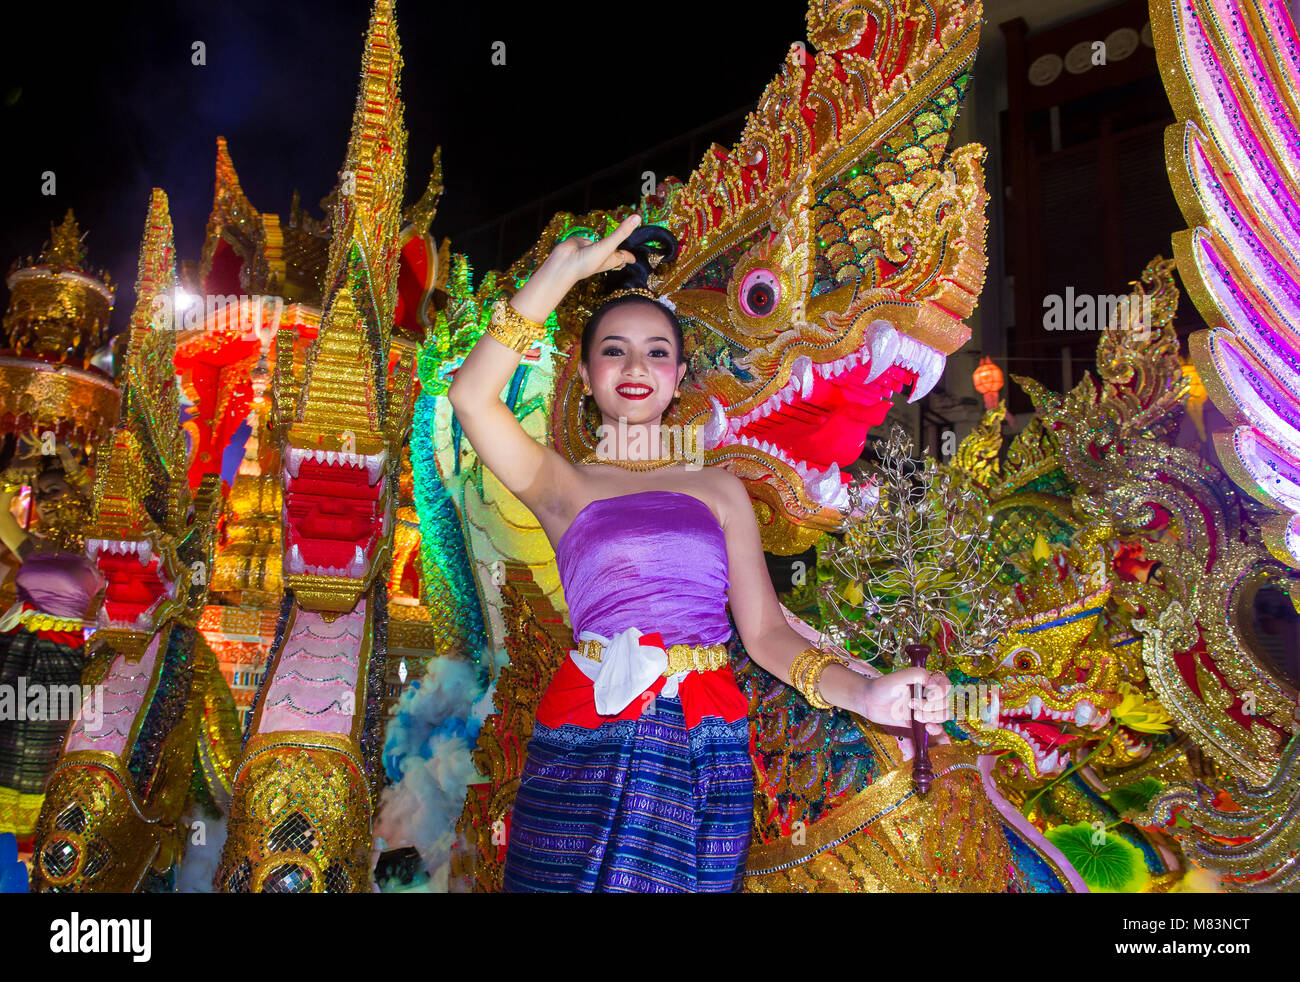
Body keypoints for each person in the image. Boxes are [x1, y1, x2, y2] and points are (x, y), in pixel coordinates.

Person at [446, 213, 950, 892]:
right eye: (613, 350)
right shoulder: (563, 484)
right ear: (587, 373)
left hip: (703, 741)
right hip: (582, 738)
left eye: (657, 352)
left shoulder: (718, 489)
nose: (635, 367)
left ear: (679, 376)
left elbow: (768, 633)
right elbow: (470, 397)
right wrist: (557, 275)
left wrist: (866, 693)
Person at [0, 437, 102, 843]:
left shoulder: (98, 549)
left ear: (78, 492)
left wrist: (71, 463)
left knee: (38, 746)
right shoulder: (34, 546)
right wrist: (9, 477)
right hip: (13, 652)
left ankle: (31, 839)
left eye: (54, 491)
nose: (43, 501)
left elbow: (123, 516)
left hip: (60, 661)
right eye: (38, 494)